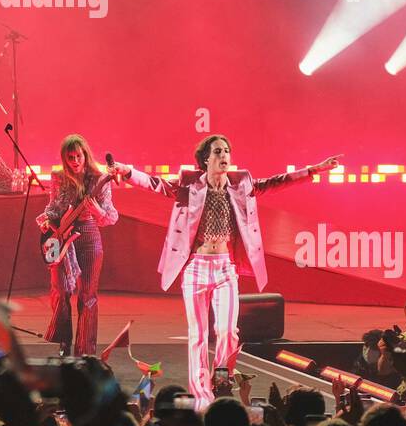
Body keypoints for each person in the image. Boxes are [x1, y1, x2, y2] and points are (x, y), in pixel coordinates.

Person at [112, 136, 340, 408]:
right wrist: (127, 172)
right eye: (218, 151)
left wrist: (312, 170)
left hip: (225, 268)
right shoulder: (190, 184)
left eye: (228, 151)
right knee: (197, 334)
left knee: (228, 331)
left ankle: (221, 382)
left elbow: (273, 183)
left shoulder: (241, 183)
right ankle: (201, 395)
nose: (225, 155)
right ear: (205, 159)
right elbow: (157, 185)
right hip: (196, 267)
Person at [37, 134, 118, 356]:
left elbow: (110, 216)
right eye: (70, 157)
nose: (75, 161)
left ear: (86, 155)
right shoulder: (59, 177)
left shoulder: (98, 179)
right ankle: (64, 341)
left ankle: (85, 350)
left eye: (78, 156)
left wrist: (97, 211)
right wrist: (47, 220)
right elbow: (53, 206)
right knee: (60, 289)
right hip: (63, 236)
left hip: (90, 237)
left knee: (88, 295)